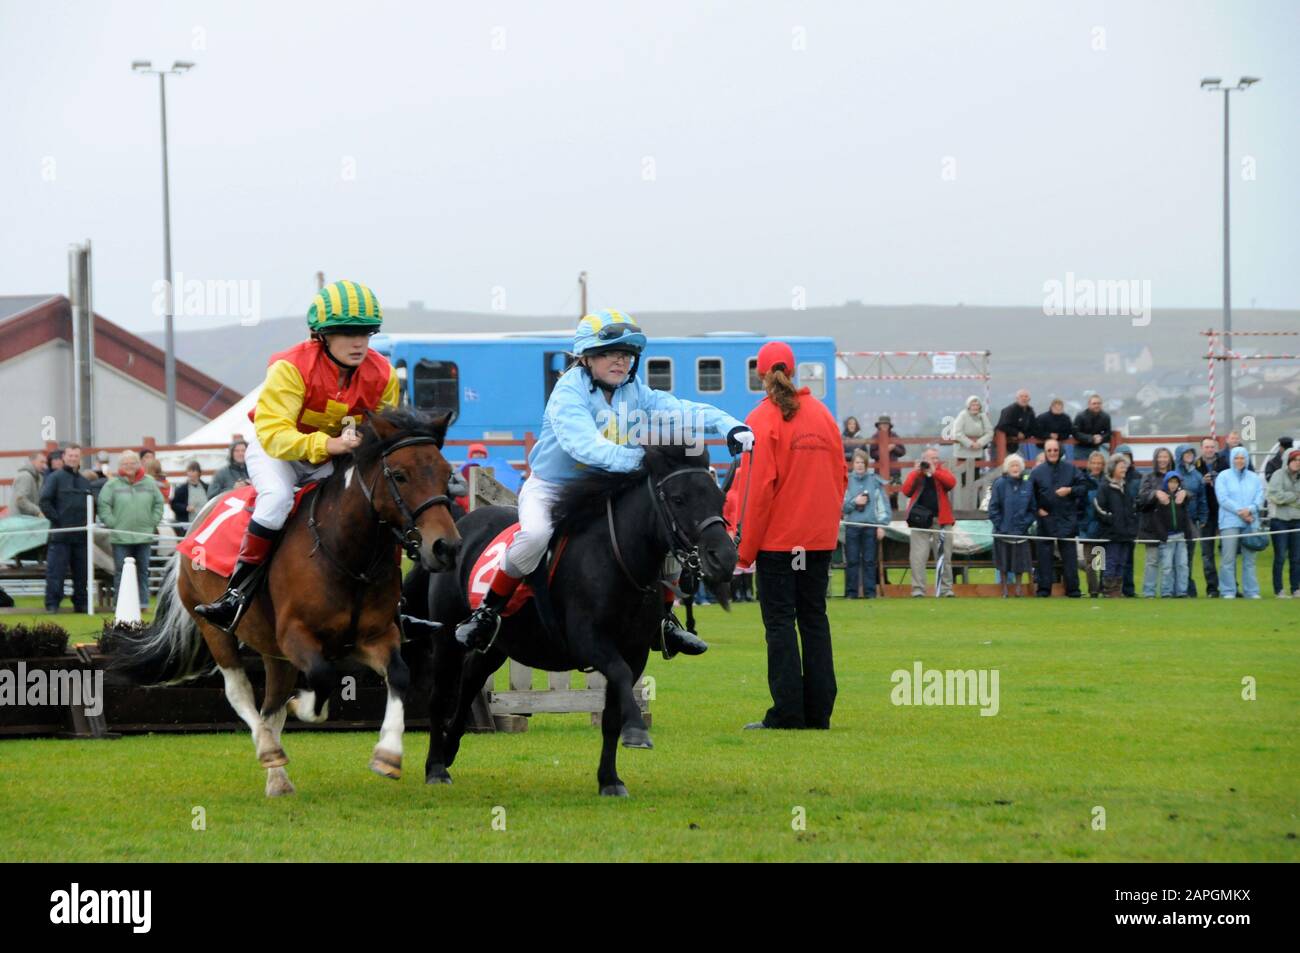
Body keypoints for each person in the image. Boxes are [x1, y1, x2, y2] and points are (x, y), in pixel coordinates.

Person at [456, 310, 750, 658]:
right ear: (587, 358)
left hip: (607, 489)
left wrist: (729, 424)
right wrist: (644, 463)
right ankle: (488, 612)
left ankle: (664, 621)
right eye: (610, 353)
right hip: (553, 489)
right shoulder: (568, 393)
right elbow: (587, 447)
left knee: (664, 530)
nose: (620, 361)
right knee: (534, 537)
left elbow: (680, 410)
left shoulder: (635, 391)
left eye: (626, 354)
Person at [196, 280, 402, 631]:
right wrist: (328, 445)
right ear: (321, 335)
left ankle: (396, 606)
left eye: (366, 333)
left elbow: (387, 430)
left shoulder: (382, 373)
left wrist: (364, 440)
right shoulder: (290, 367)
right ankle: (236, 595)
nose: (359, 343)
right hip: (278, 452)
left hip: (330, 459)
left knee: (374, 508)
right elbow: (275, 434)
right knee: (276, 500)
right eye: (347, 333)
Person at [730, 340, 844, 730]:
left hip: (779, 543)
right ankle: (819, 711)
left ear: (761, 375)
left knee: (780, 623)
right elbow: (840, 479)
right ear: (793, 371)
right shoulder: (824, 416)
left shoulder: (761, 420)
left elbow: (756, 491)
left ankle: (788, 712)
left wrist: (744, 553)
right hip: (817, 541)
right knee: (814, 619)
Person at [98, 450, 165, 610]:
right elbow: (103, 505)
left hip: (144, 536)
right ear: (120, 466)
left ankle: (143, 604)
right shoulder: (112, 484)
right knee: (121, 572)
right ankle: (120, 604)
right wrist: (112, 522)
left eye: (132, 463)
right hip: (120, 537)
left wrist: (153, 521)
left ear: (138, 464)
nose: (129, 466)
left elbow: (159, 503)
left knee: (143, 571)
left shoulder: (149, 483)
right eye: (125, 463)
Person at [38, 444, 95, 612]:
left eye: (76, 456)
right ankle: (52, 604)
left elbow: (92, 506)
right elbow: (45, 501)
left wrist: (88, 522)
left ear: (80, 458)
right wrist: (58, 521)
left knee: (82, 574)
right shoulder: (55, 478)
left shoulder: (85, 482)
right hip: (60, 536)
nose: (73, 458)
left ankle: (81, 603)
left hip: (81, 536)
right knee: (56, 573)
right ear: (64, 457)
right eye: (70, 455)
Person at [1029, 438, 1084, 597]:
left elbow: (1084, 487)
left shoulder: (1071, 469)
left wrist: (1070, 490)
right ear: (1045, 453)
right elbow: (1029, 495)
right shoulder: (1037, 472)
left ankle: (1073, 590)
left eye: (1055, 450)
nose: (1053, 453)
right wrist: (1037, 510)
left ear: (1060, 451)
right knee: (1044, 557)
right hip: (1045, 520)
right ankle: (1044, 589)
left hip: (1066, 518)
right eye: (1049, 450)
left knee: (1070, 558)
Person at [901, 446, 956, 597]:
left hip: (942, 520)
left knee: (945, 556)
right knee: (918, 557)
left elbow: (951, 483)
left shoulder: (942, 472)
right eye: (929, 458)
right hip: (920, 521)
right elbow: (906, 491)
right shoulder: (917, 474)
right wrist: (917, 472)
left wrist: (934, 471)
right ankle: (918, 590)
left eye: (935, 458)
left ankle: (946, 590)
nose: (933, 461)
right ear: (923, 459)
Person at [1215, 446, 1265, 599]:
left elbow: (1260, 496)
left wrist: (1250, 510)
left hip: (1250, 521)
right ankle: (1228, 591)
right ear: (1231, 459)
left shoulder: (1254, 477)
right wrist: (1241, 512)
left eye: (1242, 457)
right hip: (1229, 522)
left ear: (1247, 459)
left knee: (1249, 559)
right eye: (1236, 457)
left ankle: (1251, 591)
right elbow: (1223, 499)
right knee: (1228, 558)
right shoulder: (1223, 476)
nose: (1239, 461)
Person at [842, 449, 890, 598]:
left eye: (862, 462)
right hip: (852, 526)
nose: (860, 465)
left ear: (866, 464)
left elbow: (882, 505)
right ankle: (851, 593)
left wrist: (881, 525)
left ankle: (870, 593)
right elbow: (841, 505)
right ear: (853, 464)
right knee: (852, 561)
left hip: (870, 527)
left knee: (869, 561)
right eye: (857, 462)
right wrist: (854, 502)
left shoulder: (874, 481)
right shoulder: (847, 481)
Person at [988, 453, 1035, 597]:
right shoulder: (999, 484)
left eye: (1017, 466)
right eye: (1012, 465)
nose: (1015, 468)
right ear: (1007, 468)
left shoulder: (1027, 485)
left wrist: (1024, 524)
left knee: (1019, 563)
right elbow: (993, 508)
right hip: (1003, 530)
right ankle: (1004, 589)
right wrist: (1000, 526)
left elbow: (1032, 509)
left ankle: (1019, 589)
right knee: (1003, 563)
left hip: (1020, 531)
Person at [1092, 453, 1138, 598]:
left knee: (1121, 562)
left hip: (1126, 534)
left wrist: (1131, 525)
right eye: (1121, 466)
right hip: (1111, 534)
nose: (1124, 469)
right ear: (1113, 468)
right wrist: (1112, 521)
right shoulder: (1105, 487)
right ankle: (1108, 590)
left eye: (1125, 466)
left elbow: (1131, 509)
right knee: (1110, 561)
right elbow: (1099, 508)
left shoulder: (1127, 487)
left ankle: (1117, 590)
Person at [1136, 447, 1176, 597]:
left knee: (1168, 564)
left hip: (1169, 527)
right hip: (1151, 525)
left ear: (1170, 459)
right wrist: (1155, 493)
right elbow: (1141, 499)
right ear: (1155, 459)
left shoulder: (1175, 476)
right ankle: (1149, 592)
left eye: (1166, 457)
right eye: (1160, 457)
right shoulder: (1148, 477)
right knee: (1152, 561)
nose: (1163, 460)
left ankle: (1167, 592)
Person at [1149, 472, 1193, 598]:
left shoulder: (1182, 498)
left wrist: (1187, 534)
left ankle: (1181, 591)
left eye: (1176, 482)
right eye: (1170, 482)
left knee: (1182, 565)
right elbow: (1156, 519)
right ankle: (1166, 591)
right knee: (1167, 566)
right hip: (1167, 538)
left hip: (1180, 536)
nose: (1173, 485)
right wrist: (1163, 535)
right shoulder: (1161, 499)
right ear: (1166, 483)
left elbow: (1185, 516)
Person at [1173, 444, 1208, 597]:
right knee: (1173, 557)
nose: (1188, 456)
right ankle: (1174, 587)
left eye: (1190, 453)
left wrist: (1203, 517)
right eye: (1185, 453)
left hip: (1191, 522)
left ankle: (1186, 587)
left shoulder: (1197, 476)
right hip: (1174, 521)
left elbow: (1202, 499)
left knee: (1188, 556)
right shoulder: (1173, 474)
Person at [1265, 448, 1300, 598]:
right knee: (1280, 556)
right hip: (1280, 521)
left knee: (1297, 557)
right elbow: (1275, 496)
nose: (1298, 464)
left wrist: (1288, 500)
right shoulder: (1278, 475)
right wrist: (1294, 497)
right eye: (1295, 460)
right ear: (1289, 461)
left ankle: (1295, 588)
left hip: (1297, 521)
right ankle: (1279, 589)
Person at [1192, 437, 1223, 596]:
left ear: (1216, 448)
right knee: (1207, 553)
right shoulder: (1195, 466)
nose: (1209, 450)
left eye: (1212, 447)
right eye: (1206, 447)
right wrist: (1201, 482)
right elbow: (1191, 488)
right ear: (1201, 448)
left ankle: (1229, 587)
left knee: (1227, 554)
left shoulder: (1224, 463)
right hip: (1205, 515)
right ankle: (1212, 588)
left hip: (1224, 513)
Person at [1077, 450, 1109, 597]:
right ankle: (1093, 590)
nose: (1096, 466)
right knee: (1089, 562)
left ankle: (1102, 588)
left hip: (1102, 527)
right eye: (1094, 463)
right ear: (1089, 464)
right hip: (1087, 526)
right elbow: (1079, 505)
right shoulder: (1083, 481)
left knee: (1100, 561)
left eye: (1099, 463)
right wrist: (1082, 523)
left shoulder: (1107, 482)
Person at [1114, 444, 1142, 596]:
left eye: (1128, 456)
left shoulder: (1137, 477)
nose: (1125, 460)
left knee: (1129, 558)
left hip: (1131, 523)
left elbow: (1139, 498)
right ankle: (1107, 588)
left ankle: (1128, 589)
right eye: (1122, 457)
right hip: (1112, 524)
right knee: (1108, 558)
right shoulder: (1110, 478)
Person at [950, 395, 994, 489]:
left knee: (975, 478)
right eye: (972, 405)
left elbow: (990, 432)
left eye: (977, 405)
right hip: (963, 452)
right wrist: (970, 443)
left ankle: (976, 501)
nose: (975, 407)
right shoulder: (962, 415)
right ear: (968, 406)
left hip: (977, 452)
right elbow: (957, 433)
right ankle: (962, 501)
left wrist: (980, 443)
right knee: (963, 479)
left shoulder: (983, 416)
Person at [995, 390, 1036, 460]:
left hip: (1016, 444)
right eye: (1021, 396)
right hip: (1000, 443)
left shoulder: (1030, 411)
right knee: (1001, 467)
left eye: (1026, 396)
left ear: (1029, 399)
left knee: (1018, 464)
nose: (1024, 398)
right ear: (1017, 398)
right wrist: (1016, 433)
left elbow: (1033, 428)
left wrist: (1024, 435)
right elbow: (1002, 426)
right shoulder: (1009, 410)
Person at [1072, 393, 1112, 463]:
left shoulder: (1105, 417)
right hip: (1081, 447)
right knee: (1081, 470)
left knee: (1094, 469)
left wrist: (1101, 438)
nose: (1097, 405)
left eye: (1099, 403)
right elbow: (1075, 433)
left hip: (1095, 448)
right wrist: (1091, 438)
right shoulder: (1080, 416)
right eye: (1094, 403)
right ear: (1089, 404)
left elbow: (1108, 433)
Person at [170, 460, 210, 526]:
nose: (190, 474)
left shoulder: (206, 487)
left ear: (199, 473)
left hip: (205, 522)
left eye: (193, 471)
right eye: (189, 471)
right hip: (188, 524)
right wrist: (186, 508)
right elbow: (174, 505)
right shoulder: (181, 489)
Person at [11, 451, 48, 517]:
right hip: (20, 521)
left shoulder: (37, 477)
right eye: (42, 462)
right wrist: (37, 511)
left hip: (27, 520)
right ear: (32, 461)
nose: (45, 466)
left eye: (45, 463)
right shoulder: (25, 476)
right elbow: (20, 500)